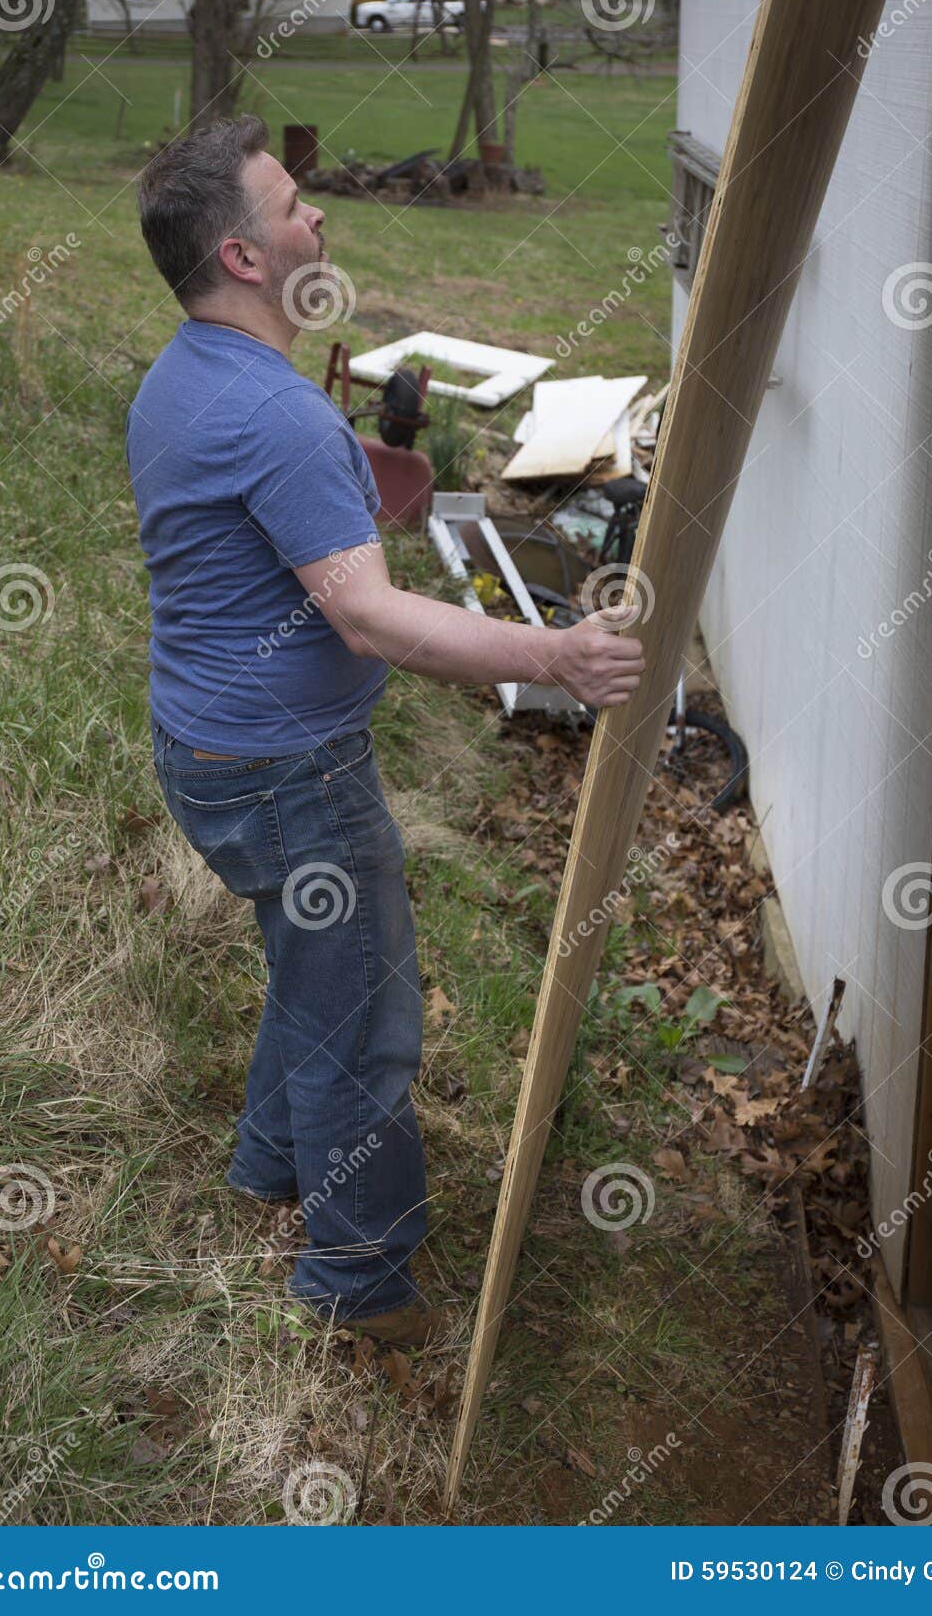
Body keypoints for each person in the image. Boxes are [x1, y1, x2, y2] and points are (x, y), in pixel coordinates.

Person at [127, 115, 645, 1347]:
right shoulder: (279, 417)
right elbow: (367, 618)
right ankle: (357, 1284)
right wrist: (556, 656)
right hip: (283, 778)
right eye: (291, 205)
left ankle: (268, 1169)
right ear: (244, 256)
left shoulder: (179, 376)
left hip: (207, 752)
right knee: (362, 1017)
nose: (316, 217)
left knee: (316, 971)